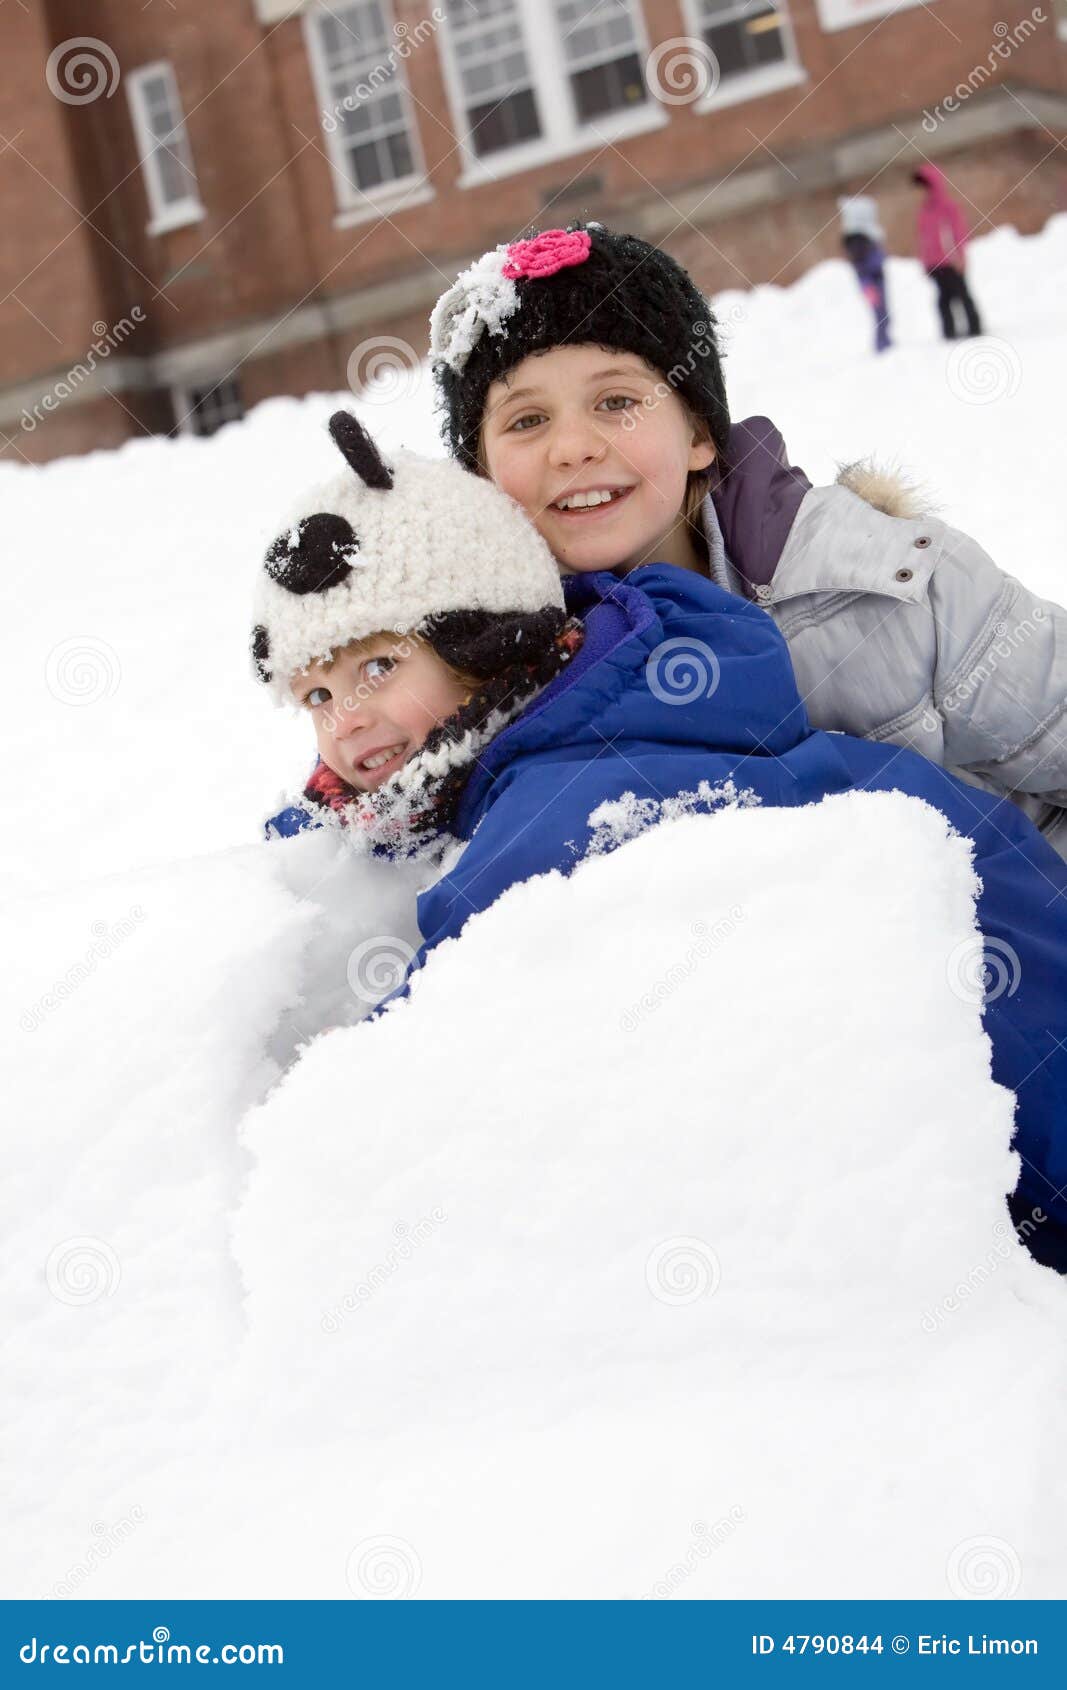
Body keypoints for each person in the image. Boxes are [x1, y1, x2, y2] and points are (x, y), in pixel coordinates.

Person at [255, 409, 1067, 1273]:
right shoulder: (626, 685)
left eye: (377, 668)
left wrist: (295, 1122)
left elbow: (420, 1042)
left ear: (486, 645)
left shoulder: (561, 801)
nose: (347, 720)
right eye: (314, 696)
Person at [429, 222, 1067, 858]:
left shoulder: (884, 588)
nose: (572, 448)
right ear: (480, 477)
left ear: (700, 436)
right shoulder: (469, 685)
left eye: (617, 400)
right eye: (527, 419)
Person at [912, 164, 984, 339]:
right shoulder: (924, 211)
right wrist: (924, 261)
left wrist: (960, 256)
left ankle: (975, 330)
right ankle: (949, 333)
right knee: (943, 300)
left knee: (962, 295)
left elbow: (958, 232)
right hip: (934, 264)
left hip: (950, 261)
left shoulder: (948, 207)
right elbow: (923, 239)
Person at [838, 195, 891, 352]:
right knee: (880, 315)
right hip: (871, 282)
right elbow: (861, 266)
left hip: (876, 278)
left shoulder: (867, 238)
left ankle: (885, 342)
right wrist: (867, 284)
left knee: (884, 314)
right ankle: (882, 345)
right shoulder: (857, 242)